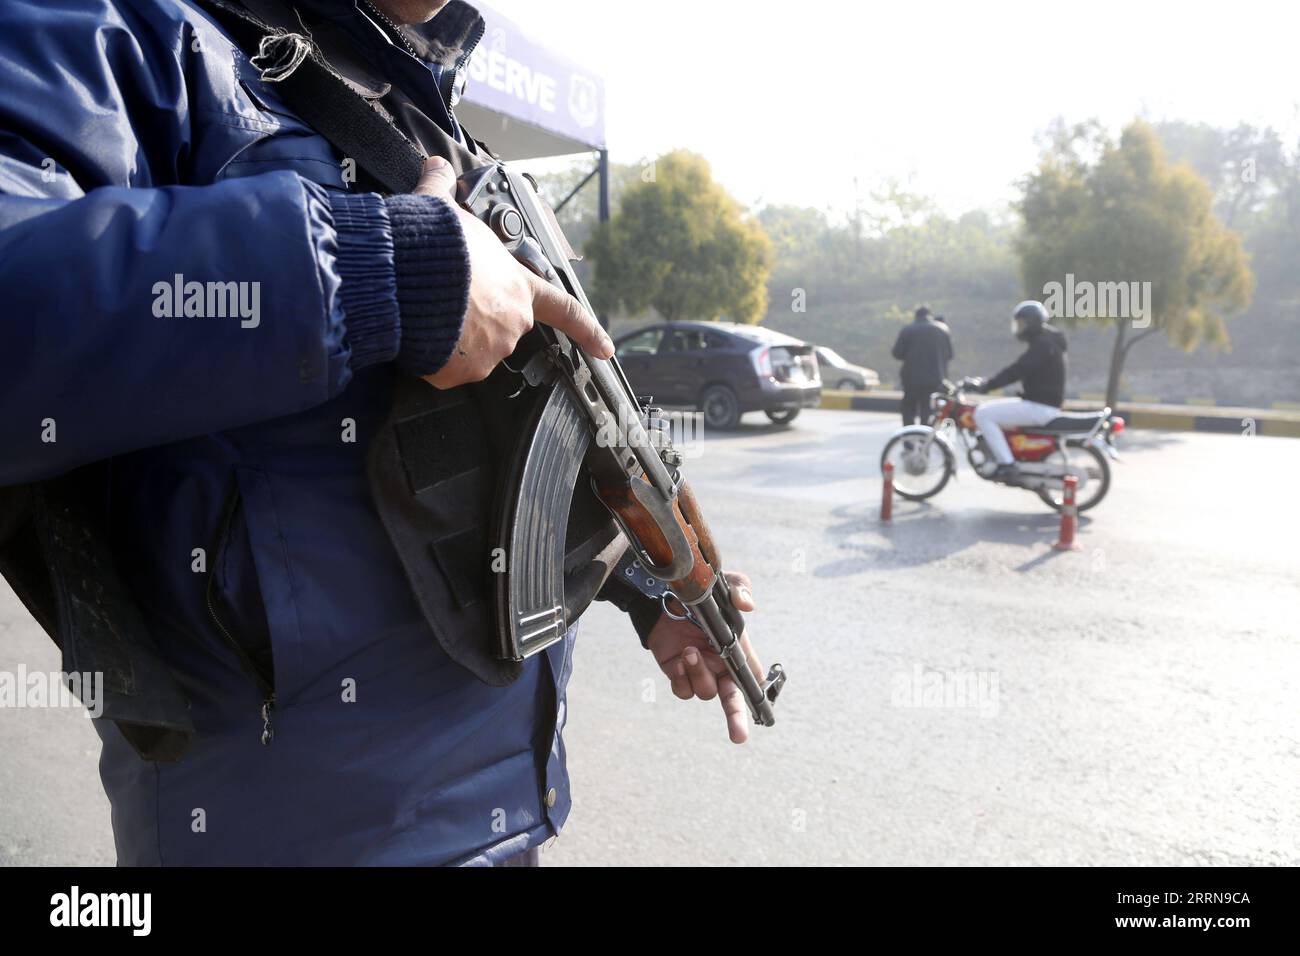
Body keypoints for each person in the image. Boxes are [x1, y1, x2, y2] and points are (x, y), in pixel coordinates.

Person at [0, 0, 763, 866]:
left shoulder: (414, 100)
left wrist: (646, 584)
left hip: (505, 811)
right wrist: (379, 272)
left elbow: (532, 429)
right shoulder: (121, 28)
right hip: (294, 830)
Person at [969, 300, 1068, 483]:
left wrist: (986, 385)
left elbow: (1017, 370)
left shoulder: (1043, 345)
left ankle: (1007, 464)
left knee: (982, 413)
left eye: (1022, 323)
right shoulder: (1048, 342)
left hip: (1040, 406)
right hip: (1043, 403)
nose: (1019, 328)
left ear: (1032, 323)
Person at [891, 306, 954, 426]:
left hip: (911, 378)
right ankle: (924, 438)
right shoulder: (942, 329)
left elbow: (897, 353)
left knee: (908, 408)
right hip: (935, 378)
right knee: (928, 409)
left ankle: (909, 438)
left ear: (916, 316)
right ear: (930, 315)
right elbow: (950, 355)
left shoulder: (907, 329)